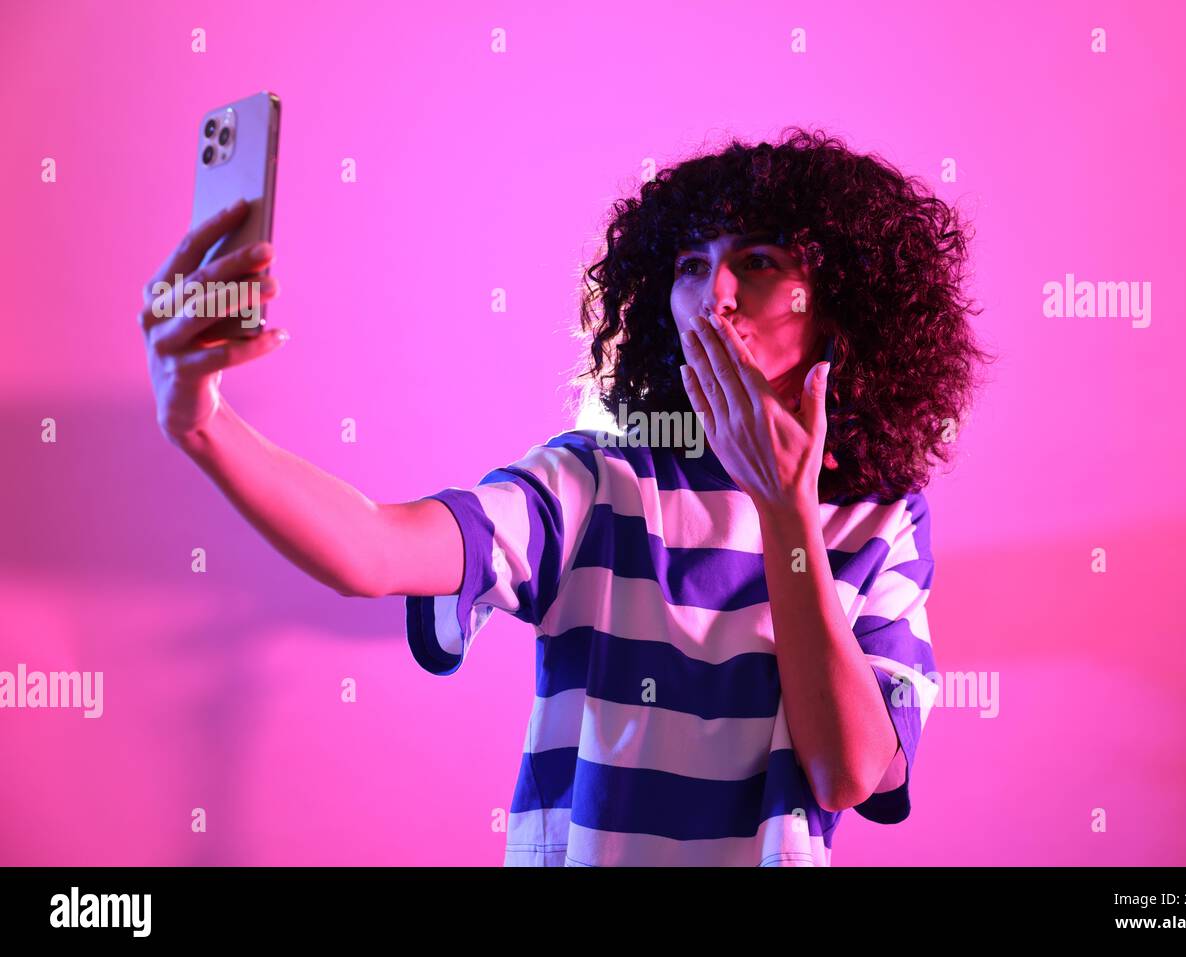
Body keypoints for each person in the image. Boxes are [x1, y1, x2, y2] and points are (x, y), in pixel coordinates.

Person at [140, 127, 993, 866]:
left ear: (838, 303)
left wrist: (784, 509)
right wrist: (202, 424)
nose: (716, 293)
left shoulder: (883, 520)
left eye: (759, 260)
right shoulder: (596, 482)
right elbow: (372, 549)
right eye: (693, 263)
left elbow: (849, 772)